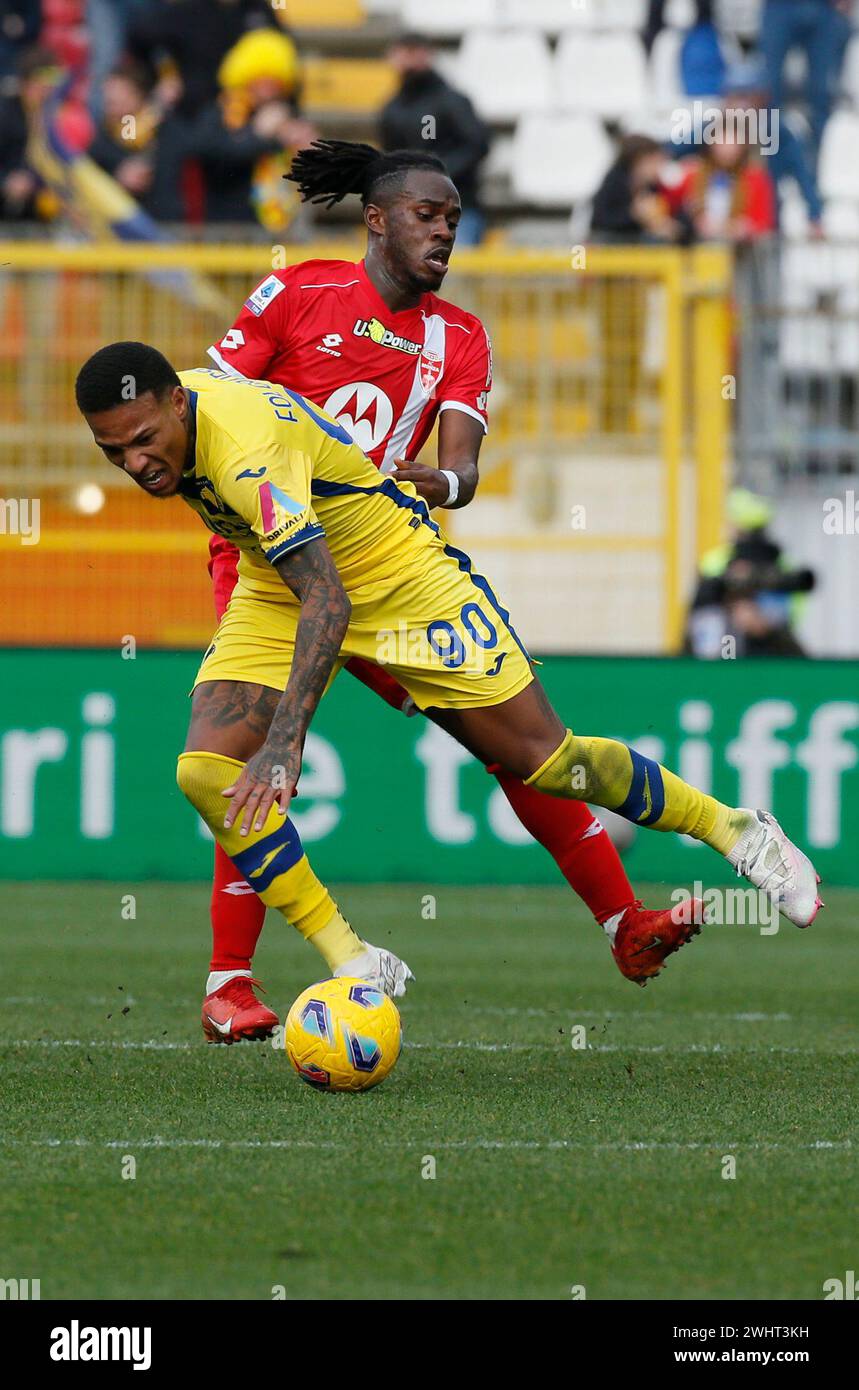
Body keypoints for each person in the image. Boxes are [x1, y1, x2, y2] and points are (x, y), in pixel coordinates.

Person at [74, 345, 823, 1037]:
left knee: (547, 761)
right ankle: (352, 959)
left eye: (144, 439)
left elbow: (329, 600)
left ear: (177, 404)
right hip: (281, 587)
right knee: (203, 771)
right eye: (115, 452)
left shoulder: (244, 452)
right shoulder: (182, 414)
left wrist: (282, 741)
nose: (136, 462)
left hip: (399, 581)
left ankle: (735, 829)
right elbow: (306, 583)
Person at [201, 139, 703, 1041]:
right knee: (248, 759)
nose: (443, 233)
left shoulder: (458, 336)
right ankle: (229, 984)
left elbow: (462, 474)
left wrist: (419, 486)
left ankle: (625, 924)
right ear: (377, 219)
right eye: (428, 216)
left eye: (454, 222)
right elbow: (206, 407)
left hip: (391, 572)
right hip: (271, 566)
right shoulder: (295, 294)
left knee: (513, 745)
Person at [189, 27, 313, 228]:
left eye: (275, 79)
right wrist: (259, 134)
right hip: (226, 225)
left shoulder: (288, 115)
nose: (269, 85)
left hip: (279, 225)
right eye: (261, 78)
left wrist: (309, 152)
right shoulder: (218, 113)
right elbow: (215, 157)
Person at [379, 32, 489, 246]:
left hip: (457, 209)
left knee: (453, 270)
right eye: (403, 53)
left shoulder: (452, 101)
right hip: (411, 212)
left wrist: (438, 173)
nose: (407, 60)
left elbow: (478, 144)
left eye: (413, 51)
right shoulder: (391, 109)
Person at [686, 489, 816, 658]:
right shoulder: (782, 564)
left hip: (771, 651)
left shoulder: (714, 560)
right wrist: (731, 609)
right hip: (727, 649)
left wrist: (764, 624)